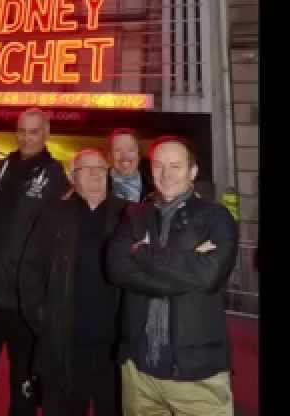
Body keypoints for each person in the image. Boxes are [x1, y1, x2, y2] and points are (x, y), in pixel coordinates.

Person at [107, 137, 239, 416]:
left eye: (176, 166)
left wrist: (142, 254)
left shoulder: (216, 217)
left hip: (198, 375)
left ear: (192, 172)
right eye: (159, 166)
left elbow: (208, 276)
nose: (166, 174)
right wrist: (187, 267)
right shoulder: (133, 214)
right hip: (138, 371)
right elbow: (116, 269)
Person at [0, 107, 70, 416]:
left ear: (46, 134)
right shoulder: (0, 169)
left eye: (33, 131)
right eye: (21, 130)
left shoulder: (55, 176)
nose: (25, 137)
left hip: (26, 304)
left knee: (22, 388)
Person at [20, 148, 127, 416]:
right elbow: (30, 271)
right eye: (86, 169)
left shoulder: (128, 215)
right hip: (64, 341)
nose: (94, 174)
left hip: (114, 344)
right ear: (72, 176)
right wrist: (43, 318)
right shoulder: (54, 215)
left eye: (101, 168)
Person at [107, 128, 155, 203]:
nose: (125, 155)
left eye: (131, 150)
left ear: (139, 155)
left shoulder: (155, 187)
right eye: (118, 150)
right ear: (110, 155)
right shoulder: (97, 184)